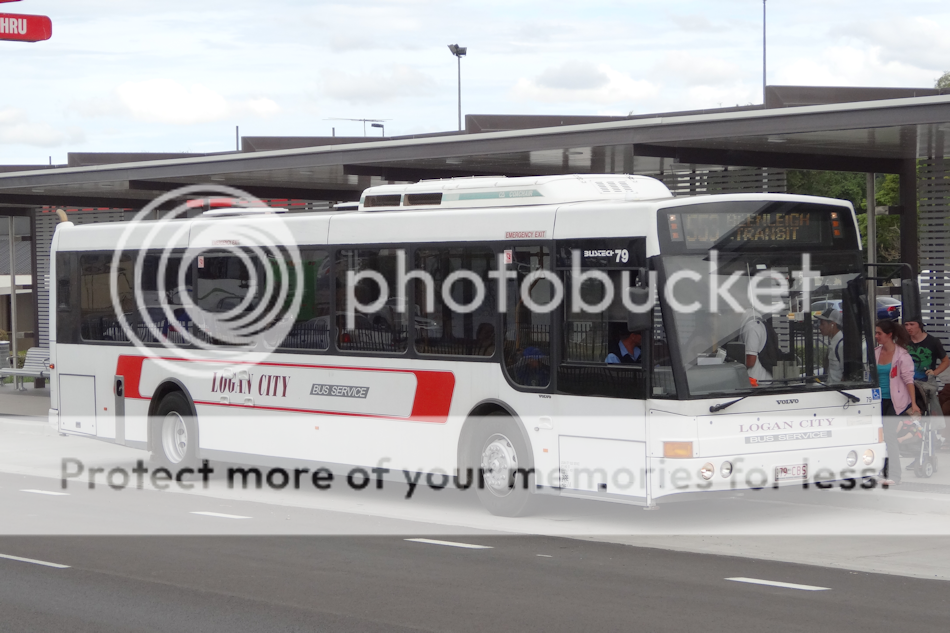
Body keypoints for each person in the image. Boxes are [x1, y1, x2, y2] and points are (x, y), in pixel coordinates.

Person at [874, 319, 919, 486]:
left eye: (879, 333)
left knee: (889, 435)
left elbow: (908, 380)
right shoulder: (876, 352)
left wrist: (913, 403)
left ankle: (894, 474)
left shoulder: (902, 355)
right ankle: (879, 470)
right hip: (877, 400)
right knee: (878, 436)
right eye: (876, 333)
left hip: (895, 401)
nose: (876, 336)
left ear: (889, 334)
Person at [902, 317, 948, 464]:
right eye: (906, 325)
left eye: (912, 324)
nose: (908, 327)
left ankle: (929, 453)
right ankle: (918, 454)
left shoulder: (933, 341)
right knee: (913, 421)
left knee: (928, 420)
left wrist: (935, 372)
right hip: (907, 386)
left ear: (920, 325)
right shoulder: (904, 342)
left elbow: (946, 360)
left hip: (926, 386)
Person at [739, 311, 772, 384]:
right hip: (760, 379)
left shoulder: (751, 327)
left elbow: (751, 361)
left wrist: (733, 366)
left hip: (756, 381)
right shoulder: (756, 323)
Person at [816, 308, 844, 383]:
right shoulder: (834, 342)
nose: (820, 327)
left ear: (832, 324)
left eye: (822, 324)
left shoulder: (841, 344)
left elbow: (846, 375)